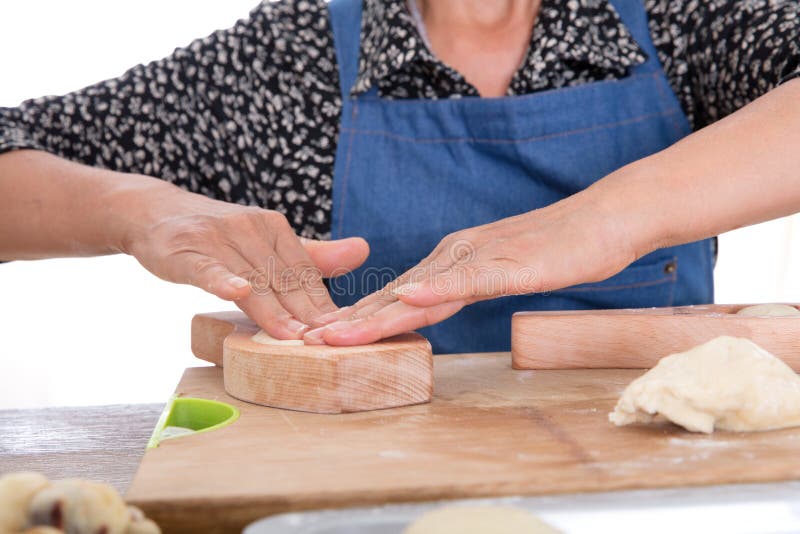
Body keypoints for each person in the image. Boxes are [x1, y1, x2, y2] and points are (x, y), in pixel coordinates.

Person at [1, 0, 798, 353]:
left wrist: (608, 216)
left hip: (661, 493)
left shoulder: (686, 18)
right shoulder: (293, 60)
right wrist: (141, 208)